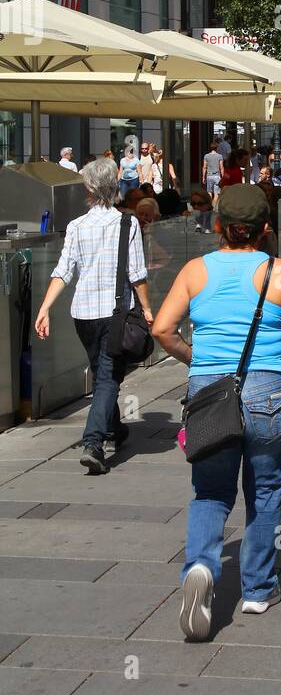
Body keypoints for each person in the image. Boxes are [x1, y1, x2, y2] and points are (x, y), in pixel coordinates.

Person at [152, 184, 281, 641]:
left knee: (209, 491)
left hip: (210, 390)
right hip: (268, 391)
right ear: (266, 229)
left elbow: (162, 328)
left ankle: (201, 569)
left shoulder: (194, 270)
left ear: (218, 226)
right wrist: (280, 370)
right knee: (264, 489)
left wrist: (196, 361)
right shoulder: (280, 273)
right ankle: (258, 589)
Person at [34, 158, 153, 474]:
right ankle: (93, 442)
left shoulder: (76, 226)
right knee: (107, 376)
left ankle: (114, 427)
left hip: (83, 314)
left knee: (103, 371)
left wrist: (45, 307)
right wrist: (148, 309)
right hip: (116, 313)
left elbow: (63, 271)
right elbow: (137, 273)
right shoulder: (128, 225)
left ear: (89, 189)